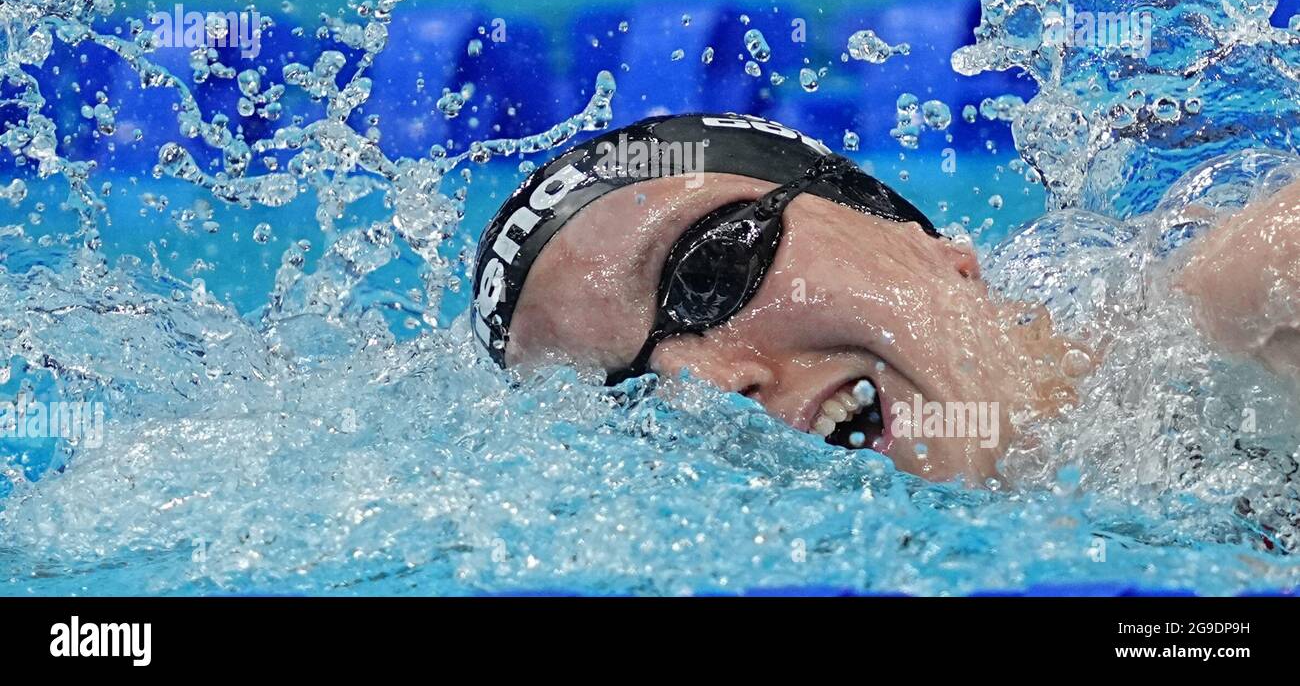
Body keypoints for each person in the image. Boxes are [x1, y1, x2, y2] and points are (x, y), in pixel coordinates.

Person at [471, 113, 1300, 485]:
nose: (702, 386)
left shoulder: (1237, 324)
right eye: (630, 397)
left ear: (915, 236)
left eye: (708, 271)